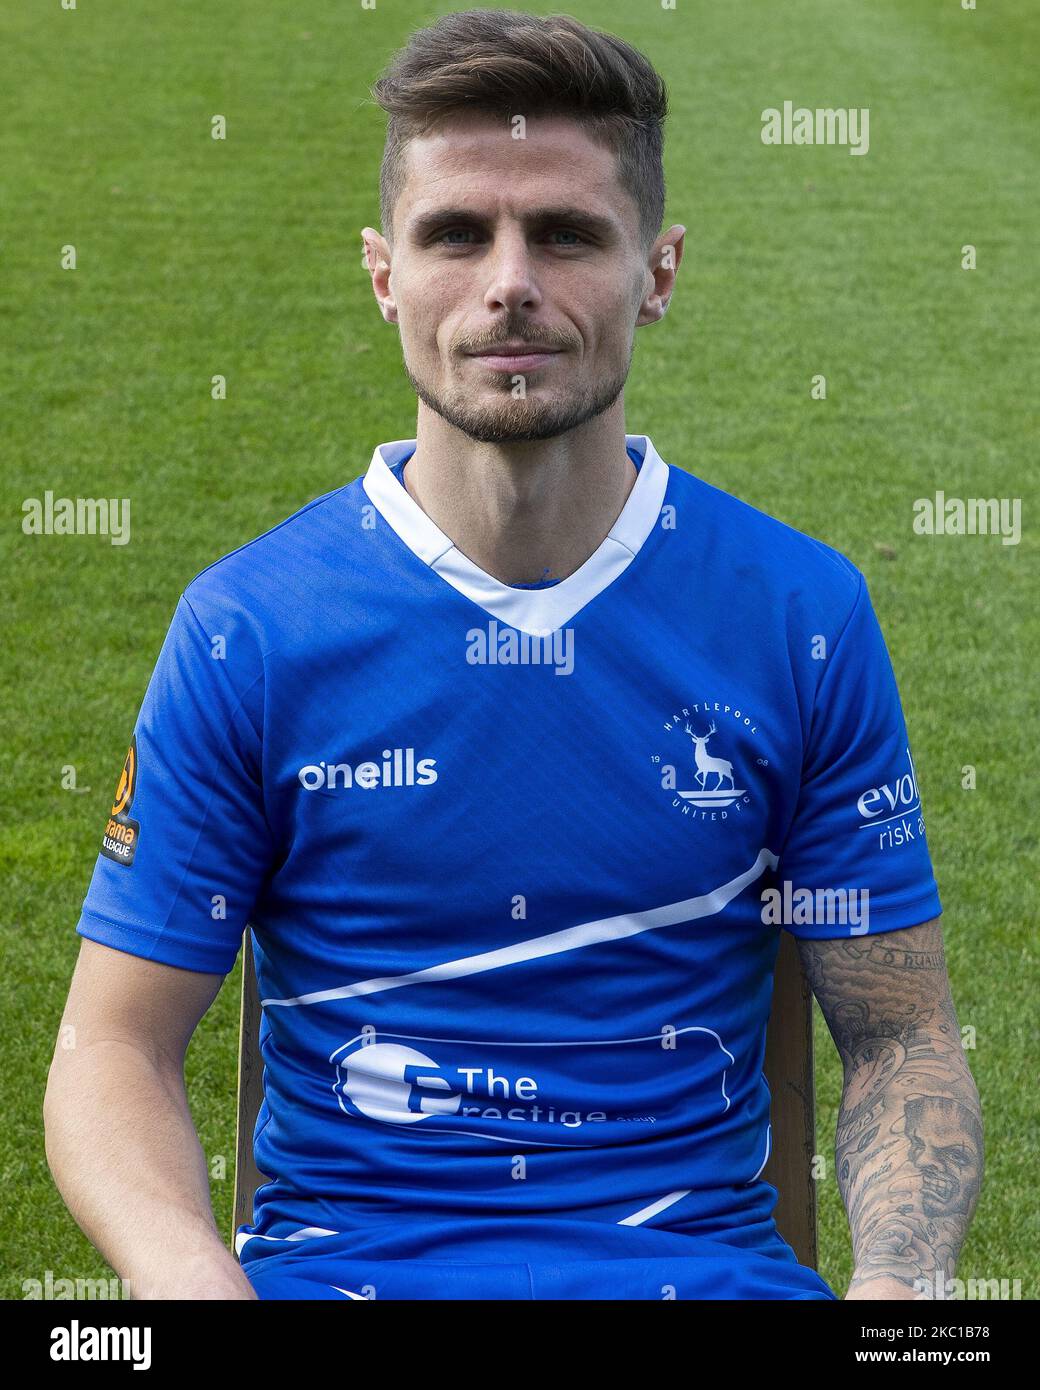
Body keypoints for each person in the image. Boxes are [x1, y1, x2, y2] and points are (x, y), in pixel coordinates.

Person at [44, 9, 982, 1301]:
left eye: (566, 233)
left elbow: (900, 1035)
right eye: (454, 234)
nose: (508, 282)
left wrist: (900, 1292)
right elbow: (114, 1044)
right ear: (385, 274)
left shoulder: (800, 614)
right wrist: (188, 1281)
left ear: (658, 269)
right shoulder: (249, 630)